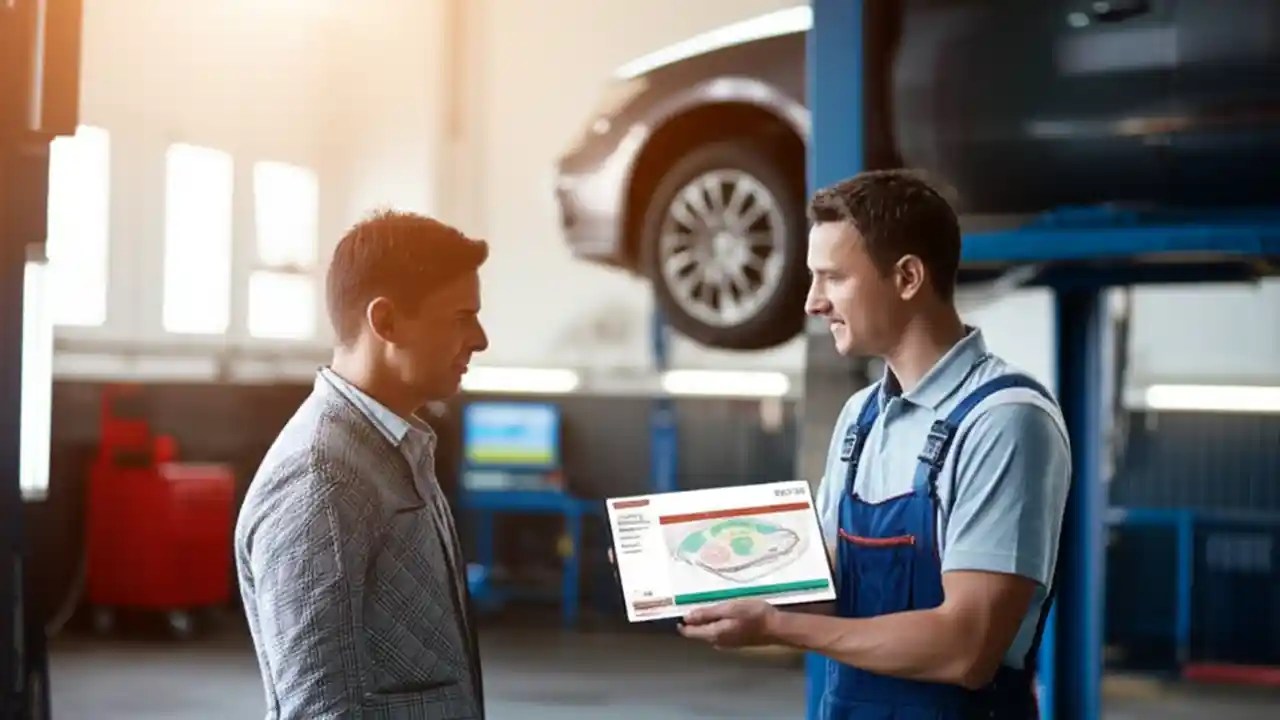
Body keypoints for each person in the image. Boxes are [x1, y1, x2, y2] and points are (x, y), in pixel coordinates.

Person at [678, 170, 1072, 719]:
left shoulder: (1004, 421)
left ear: (908, 276)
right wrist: (674, 573)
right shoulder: (861, 417)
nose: (814, 302)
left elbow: (968, 648)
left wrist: (776, 627)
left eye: (833, 278)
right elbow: (830, 585)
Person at [234, 209, 490, 719]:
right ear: (386, 321)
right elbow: (317, 711)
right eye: (462, 317)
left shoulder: (395, 448)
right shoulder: (321, 479)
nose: (480, 339)